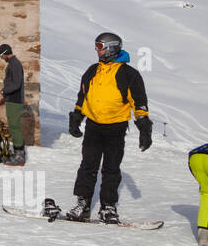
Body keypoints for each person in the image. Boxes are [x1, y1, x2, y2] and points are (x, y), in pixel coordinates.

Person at [64, 32, 151, 223]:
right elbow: (83, 96)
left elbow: (139, 101)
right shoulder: (92, 71)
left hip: (115, 128)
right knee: (88, 166)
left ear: (111, 47)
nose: (97, 50)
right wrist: (77, 116)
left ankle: (108, 207)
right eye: (96, 46)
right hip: (93, 126)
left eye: (99, 46)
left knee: (111, 168)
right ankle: (83, 204)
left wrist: (144, 126)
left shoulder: (129, 74)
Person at [0, 44, 26, 164]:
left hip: (15, 100)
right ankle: (18, 152)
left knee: (14, 126)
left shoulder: (15, 64)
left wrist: (2, 92)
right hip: (11, 99)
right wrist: (5, 96)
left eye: (2, 55)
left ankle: (20, 156)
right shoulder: (12, 64)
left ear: (6, 53)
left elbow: (16, 84)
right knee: (13, 126)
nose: (2, 58)